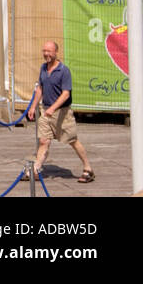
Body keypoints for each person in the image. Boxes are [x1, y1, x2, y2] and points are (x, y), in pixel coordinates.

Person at [26, 40, 94, 183]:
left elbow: (66, 94)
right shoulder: (43, 68)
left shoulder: (64, 70)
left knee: (72, 140)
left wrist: (53, 108)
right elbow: (40, 88)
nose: (46, 54)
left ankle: (88, 168)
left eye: (49, 51)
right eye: (44, 51)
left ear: (56, 52)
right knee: (44, 141)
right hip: (45, 111)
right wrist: (33, 106)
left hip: (62, 113)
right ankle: (36, 169)